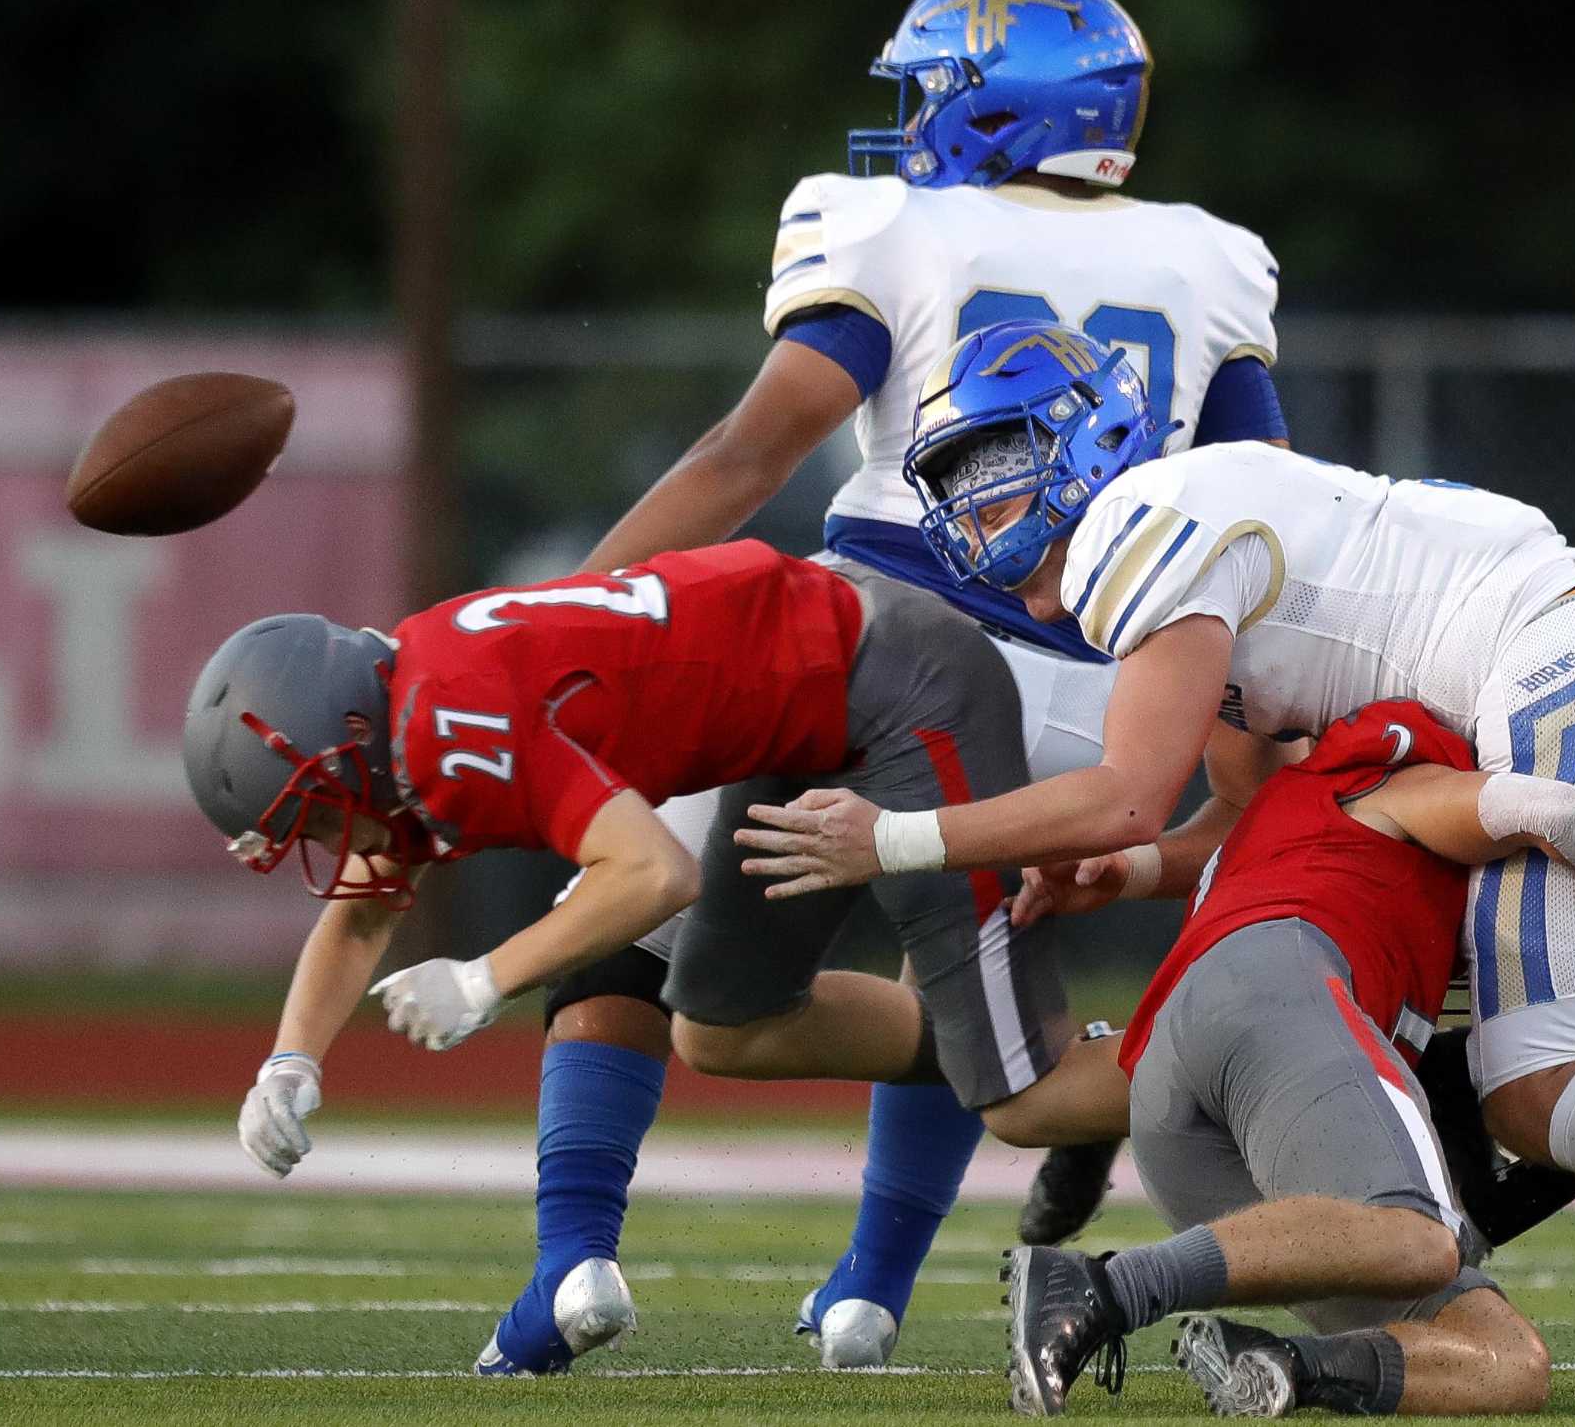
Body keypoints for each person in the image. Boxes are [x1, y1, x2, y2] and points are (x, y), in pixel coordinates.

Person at [738, 319, 1575, 1413]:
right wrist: (1131, 869)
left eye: (996, 455)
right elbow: (1243, 818)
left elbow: (1120, 790)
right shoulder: (1220, 539)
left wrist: (889, 835)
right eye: (952, 474)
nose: (971, 495)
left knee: (1534, 1086)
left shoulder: (1133, 523)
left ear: (1088, 435)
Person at [564, 0, 1292, 1366]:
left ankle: (579, 1256)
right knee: (970, 989)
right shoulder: (1210, 255)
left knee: (659, 931)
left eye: (933, 88)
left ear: (995, 103)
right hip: (1103, 701)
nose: (910, 119)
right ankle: (875, 1286)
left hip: (883, 657)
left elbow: (752, 450)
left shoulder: (892, 224)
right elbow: (1267, 491)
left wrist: (573, 616)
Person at [194, 540, 1125, 1376]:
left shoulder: (445, 725)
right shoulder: (406, 709)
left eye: (313, 808)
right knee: (724, 1028)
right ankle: (1042, 1047)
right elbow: (362, 916)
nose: (325, 832)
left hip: (900, 685)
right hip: (802, 709)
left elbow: (652, 874)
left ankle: (1123, 1071)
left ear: (348, 738)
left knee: (1020, 1101)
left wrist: (484, 980)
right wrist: (289, 1060)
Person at [1004, 697, 1575, 1418]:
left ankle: (1286, 1367)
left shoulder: (1291, 826)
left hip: (1177, 1090)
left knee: (1504, 1360)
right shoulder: (1393, 782)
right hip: (1281, 985)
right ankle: (1109, 1288)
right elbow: (1561, 816)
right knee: (1418, 1235)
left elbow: (1465, 1220)